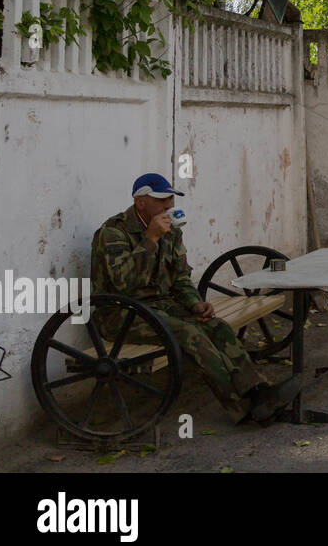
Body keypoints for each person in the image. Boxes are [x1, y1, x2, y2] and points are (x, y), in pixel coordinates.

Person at [89, 173, 300, 425]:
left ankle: (259, 390)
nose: (168, 206)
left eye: (170, 199)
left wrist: (194, 302)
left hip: (160, 307)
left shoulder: (171, 232)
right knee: (189, 333)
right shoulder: (113, 232)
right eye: (161, 200)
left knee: (216, 326)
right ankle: (243, 406)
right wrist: (150, 240)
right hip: (121, 313)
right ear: (140, 202)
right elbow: (124, 283)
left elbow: (180, 277)